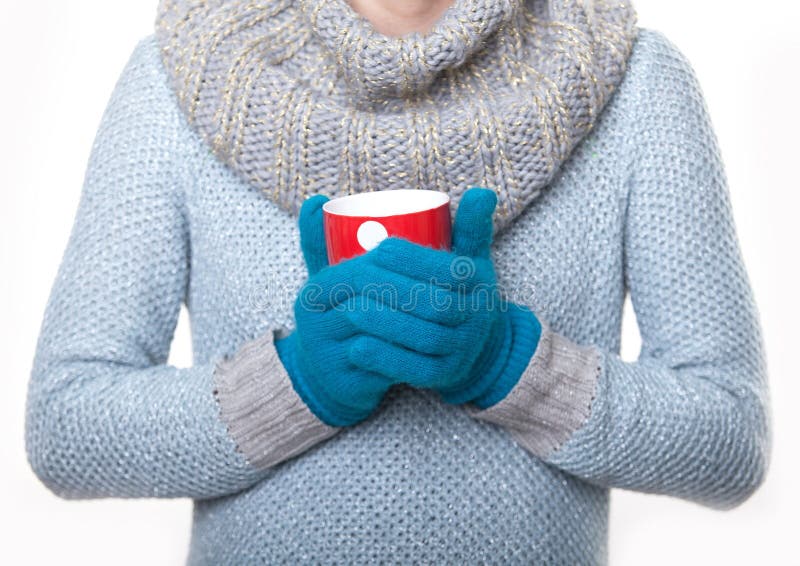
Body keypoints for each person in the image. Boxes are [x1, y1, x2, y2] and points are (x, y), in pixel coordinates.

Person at [25, 0, 771, 563]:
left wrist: (510, 367)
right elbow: (66, 425)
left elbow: (731, 438)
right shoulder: (177, 76)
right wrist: (294, 384)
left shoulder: (633, 80)